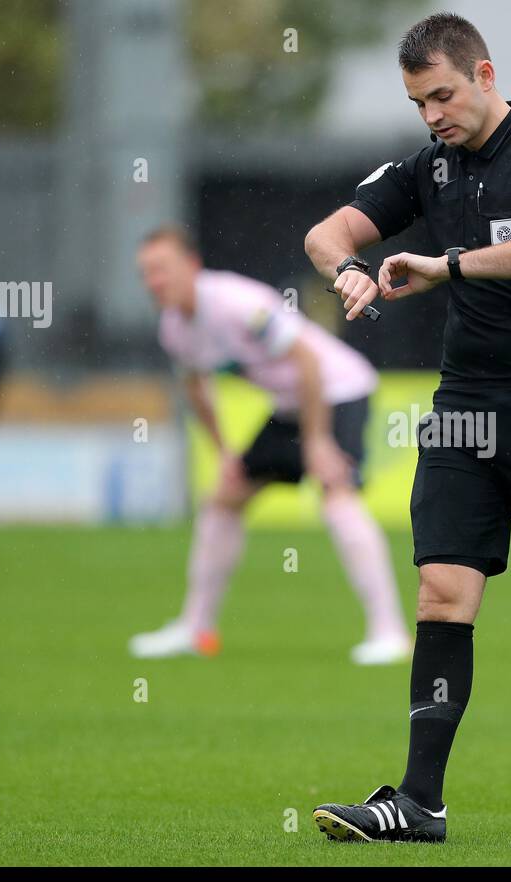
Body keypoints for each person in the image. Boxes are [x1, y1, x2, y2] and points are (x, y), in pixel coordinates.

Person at [302, 14, 511, 841]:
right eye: (419, 103)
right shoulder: (431, 168)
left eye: (443, 96)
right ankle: (420, 801)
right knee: (443, 592)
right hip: (462, 411)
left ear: (485, 75)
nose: (432, 116)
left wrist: (445, 266)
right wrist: (349, 270)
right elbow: (328, 232)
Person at [129, 225, 411, 666]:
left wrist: (317, 443)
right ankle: (195, 627)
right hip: (291, 404)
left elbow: (309, 362)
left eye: (162, 269)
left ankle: (389, 632)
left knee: (336, 493)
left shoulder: (235, 303)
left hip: (338, 389)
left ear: (191, 265)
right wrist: (224, 453)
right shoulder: (174, 328)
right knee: (224, 497)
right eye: (146, 273)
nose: (154, 281)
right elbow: (197, 389)